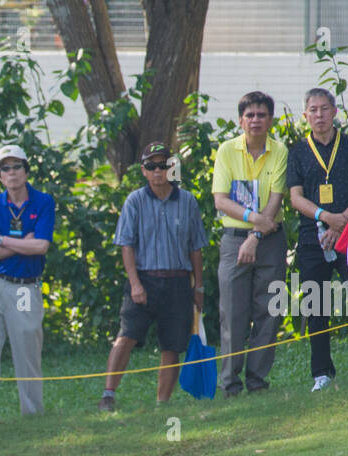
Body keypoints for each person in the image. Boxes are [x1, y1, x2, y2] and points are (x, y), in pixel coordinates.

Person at [98, 142, 205, 411]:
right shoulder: (134, 200)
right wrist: (135, 283)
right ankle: (108, 394)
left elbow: (196, 247)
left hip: (178, 280)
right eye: (151, 166)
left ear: (172, 168)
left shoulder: (188, 201)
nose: (158, 171)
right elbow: (126, 245)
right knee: (126, 336)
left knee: (172, 345)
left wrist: (198, 286)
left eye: (163, 165)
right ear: (144, 171)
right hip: (144, 278)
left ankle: (162, 404)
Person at [286, 88, 348, 391]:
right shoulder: (297, 150)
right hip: (313, 238)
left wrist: (342, 222)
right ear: (305, 115)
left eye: (324, 109)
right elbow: (295, 197)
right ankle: (321, 372)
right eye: (313, 110)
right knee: (315, 305)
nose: (319, 115)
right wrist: (325, 217)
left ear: (334, 111)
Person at [0, 144, 54, 423]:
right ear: (0, 175)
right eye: (5, 168)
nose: (12, 172)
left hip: (24, 286)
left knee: (27, 348)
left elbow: (41, 246)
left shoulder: (42, 202)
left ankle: (32, 411)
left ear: (26, 171)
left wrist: (3, 240)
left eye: (17, 166)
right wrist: (20, 244)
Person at [212, 91, 288, 397]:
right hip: (234, 241)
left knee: (269, 310)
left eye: (261, 115)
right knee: (232, 313)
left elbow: (276, 199)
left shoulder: (280, 151)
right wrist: (252, 223)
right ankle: (229, 384)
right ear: (240, 119)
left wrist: (256, 236)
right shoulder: (226, 151)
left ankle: (257, 381)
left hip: (270, 240)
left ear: (270, 119)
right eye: (250, 115)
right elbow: (221, 200)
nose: (255, 120)